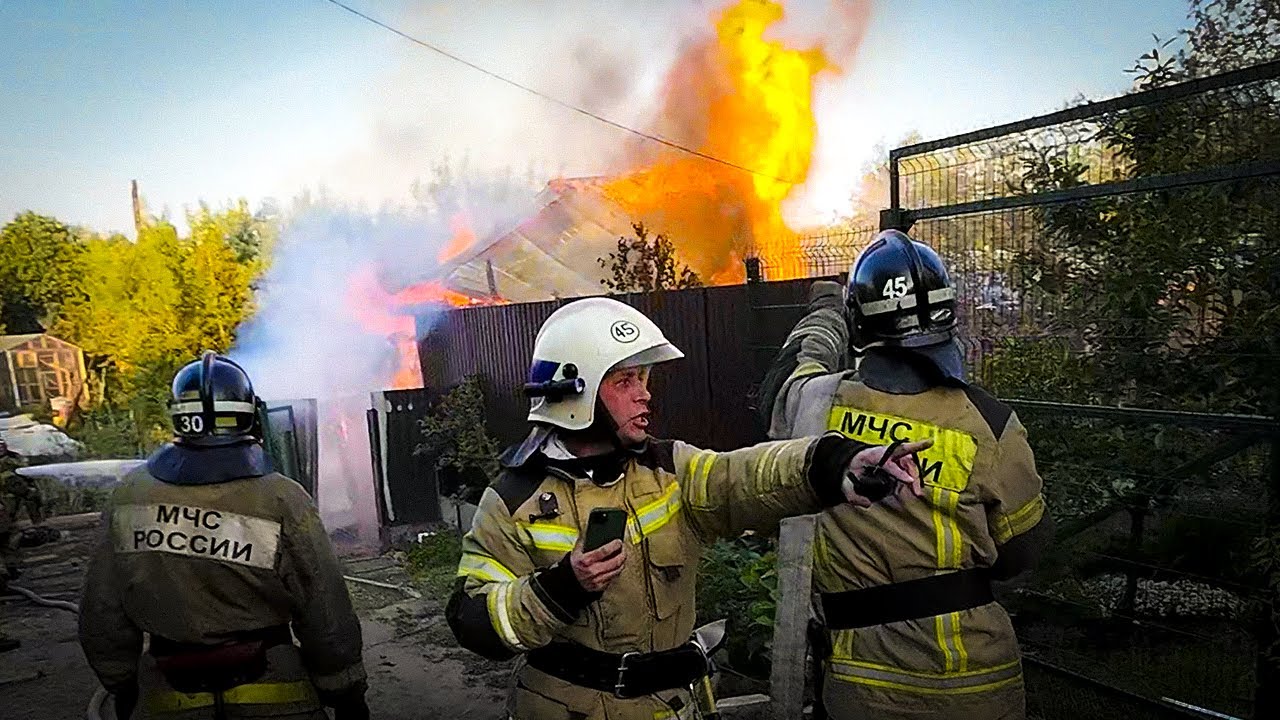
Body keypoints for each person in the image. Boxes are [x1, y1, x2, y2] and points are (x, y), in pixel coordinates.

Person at [447, 296, 931, 720]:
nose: (645, 393)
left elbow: (744, 477)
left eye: (644, 378)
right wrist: (560, 589)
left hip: (674, 706)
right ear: (577, 391)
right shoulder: (514, 500)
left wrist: (835, 462)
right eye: (625, 381)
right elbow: (473, 619)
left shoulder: (669, 469)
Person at [760, 229, 1054, 720]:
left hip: (863, 684)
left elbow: (788, 371)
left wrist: (827, 308)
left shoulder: (816, 405)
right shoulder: (989, 422)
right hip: (979, 683)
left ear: (858, 324)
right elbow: (1023, 553)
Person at [79, 352, 368, 720]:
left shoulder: (129, 496)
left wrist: (120, 683)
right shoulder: (282, 498)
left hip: (167, 697)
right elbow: (323, 603)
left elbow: (102, 610)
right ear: (249, 414)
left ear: (178, 416)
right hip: (277, 692)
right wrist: (343, 688)